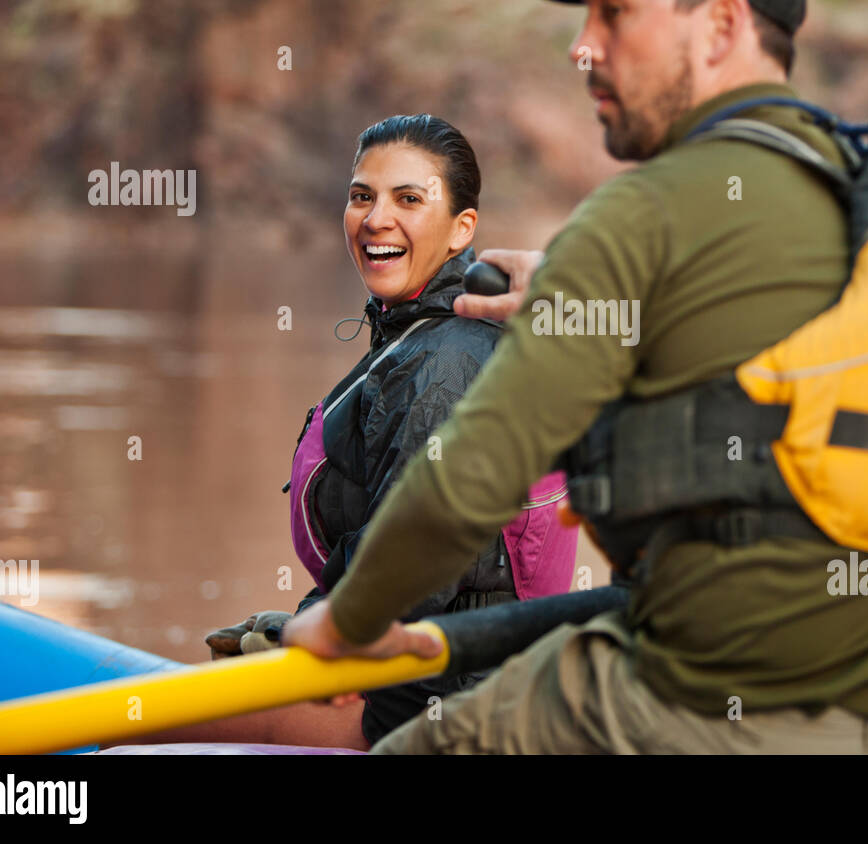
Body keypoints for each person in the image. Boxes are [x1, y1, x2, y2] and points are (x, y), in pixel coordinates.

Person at [284, 0, 868, 754]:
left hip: (733, 714)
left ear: (721, 25)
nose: (584, 47)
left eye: (614, 14)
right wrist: (587, 296)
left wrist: (343, 623)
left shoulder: (641, 218)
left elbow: (466, 480)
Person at [134, 114, 575, 751]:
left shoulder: (445, 361)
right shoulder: (419, 332)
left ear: (462, 230)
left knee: (138, 725)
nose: (375, 219)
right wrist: (301, 625)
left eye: (409, 199)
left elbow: (418, 566)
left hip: (435, 707)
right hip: (440, 677)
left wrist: (311, 635)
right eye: (362, 196)